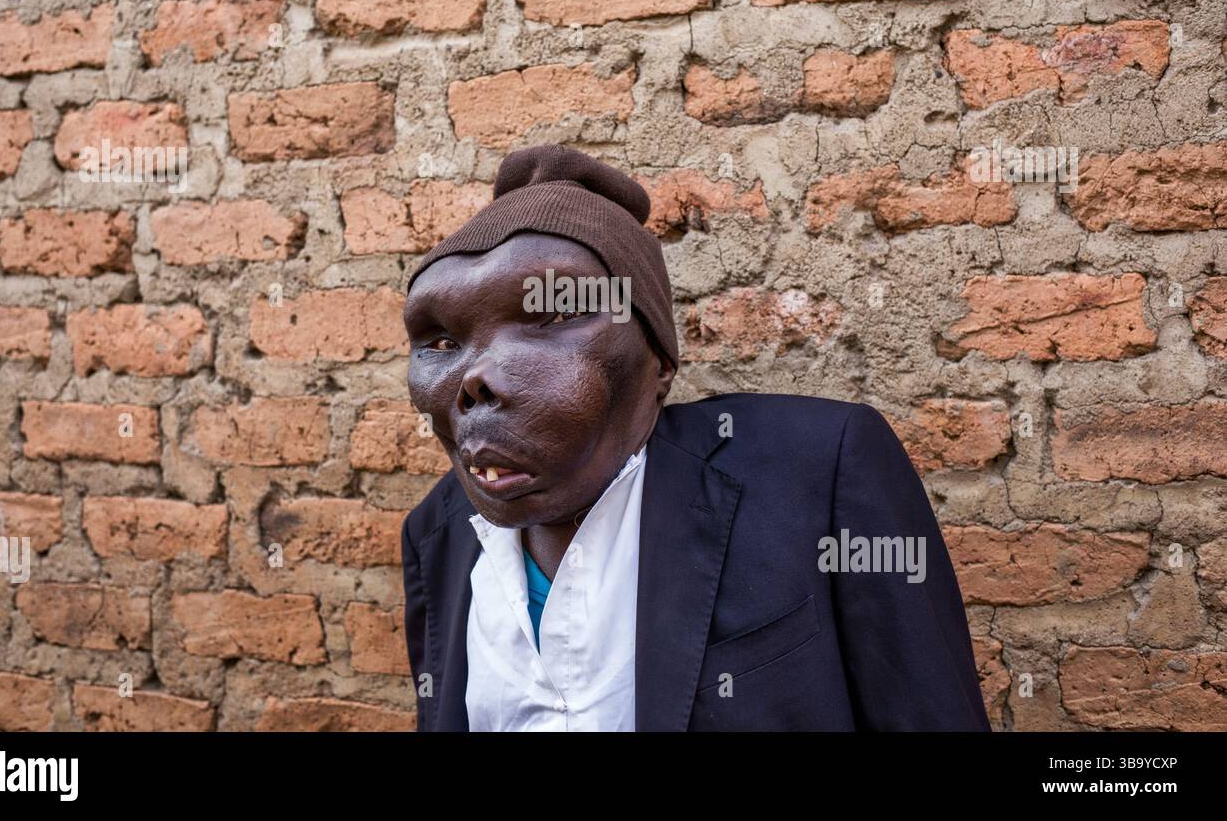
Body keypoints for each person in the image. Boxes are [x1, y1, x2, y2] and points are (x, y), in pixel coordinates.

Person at [399, 143, 991, 731]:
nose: (474, 378)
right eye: (442, 342)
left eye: (553, 316)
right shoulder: (438, 534)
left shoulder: (816, 476)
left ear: (656, 359)